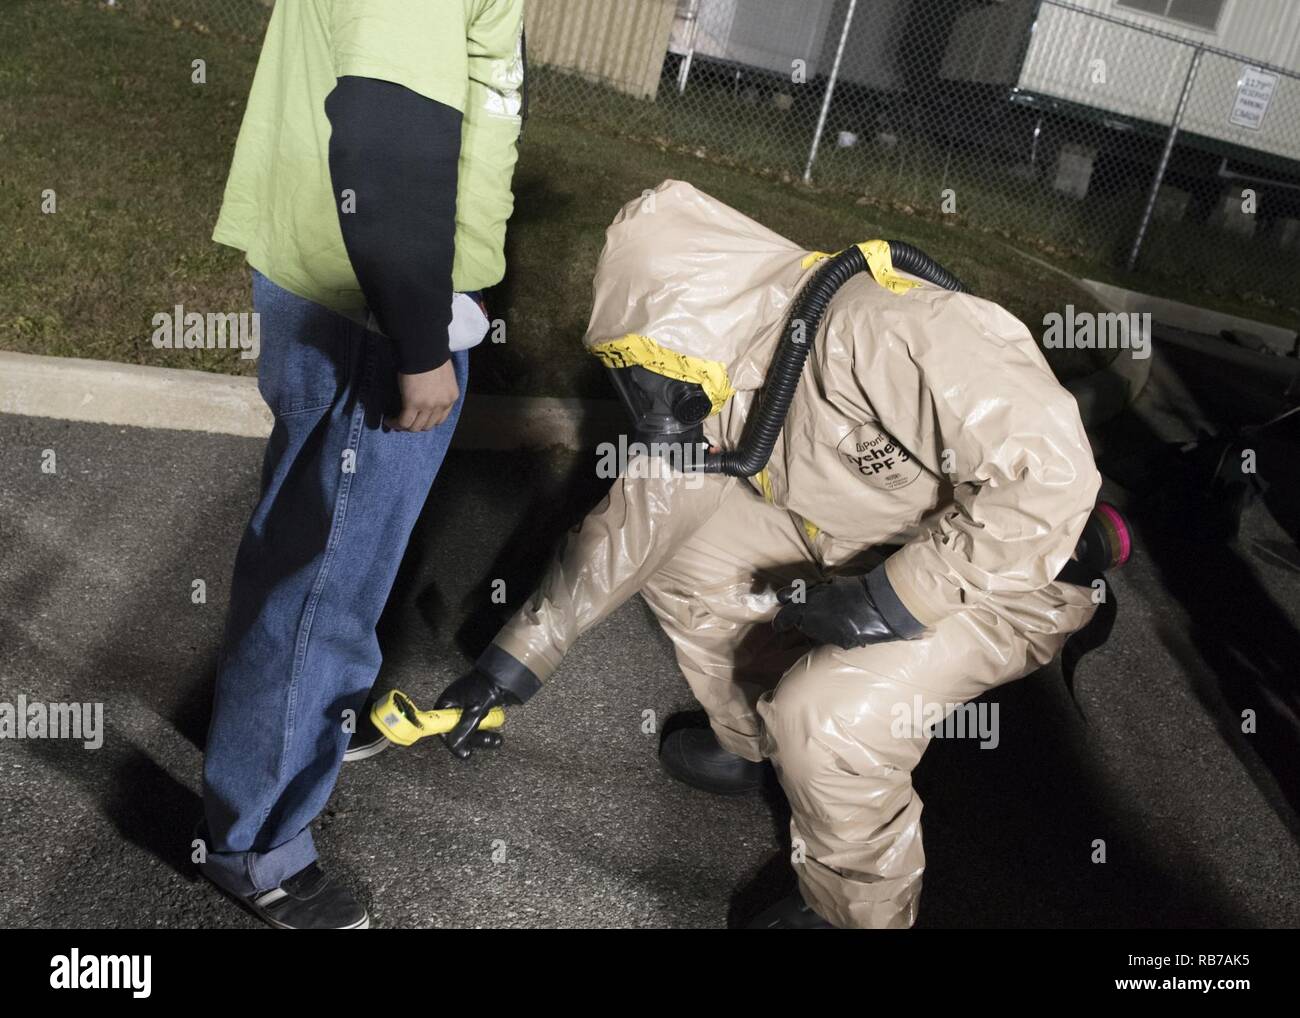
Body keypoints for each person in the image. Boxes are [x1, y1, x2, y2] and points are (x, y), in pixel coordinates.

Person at [433, 179, 1105, 929]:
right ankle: (753, 742)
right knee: (684, 561)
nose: (654, 402)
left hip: (1006, 572)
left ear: (701, 318)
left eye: (655, 370)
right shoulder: (722, 369)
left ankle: (853, 912)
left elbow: (1048, 479)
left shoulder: (880, 328)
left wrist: (895, 598)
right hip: (852, 539)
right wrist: (512, 665)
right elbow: (634, 523)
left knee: (828, 716)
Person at [198, 0, 525, 929]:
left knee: (306, 550)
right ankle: (259, 840)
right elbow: (385, 135)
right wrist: (421, 337)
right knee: (328, 587)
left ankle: (254, 756)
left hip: (365, 289)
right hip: (378, 305)